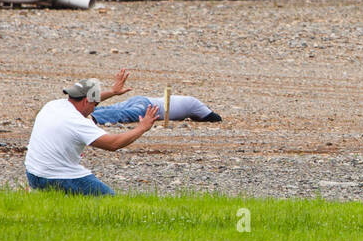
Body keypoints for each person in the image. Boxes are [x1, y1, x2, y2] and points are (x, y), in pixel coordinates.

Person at [24, 75, 158, 196]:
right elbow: (113, 144)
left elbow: (89, 100)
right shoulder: (77, 122)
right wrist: (142, 128)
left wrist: (112, 92)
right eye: (95, 104)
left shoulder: (53, 105)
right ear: (86, 101)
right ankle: (50, 191)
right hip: (55, 177)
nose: (94, 108)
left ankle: (40, 192)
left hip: (33, 173)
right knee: (110, 200)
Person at [91, 71, 221, 124]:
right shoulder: (196, 106)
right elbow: (215, 118)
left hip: (143, 99)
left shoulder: (190, 101)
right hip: (150, 108)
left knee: (114, 107)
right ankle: (93, 118)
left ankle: (84, 112)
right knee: (122, 114)